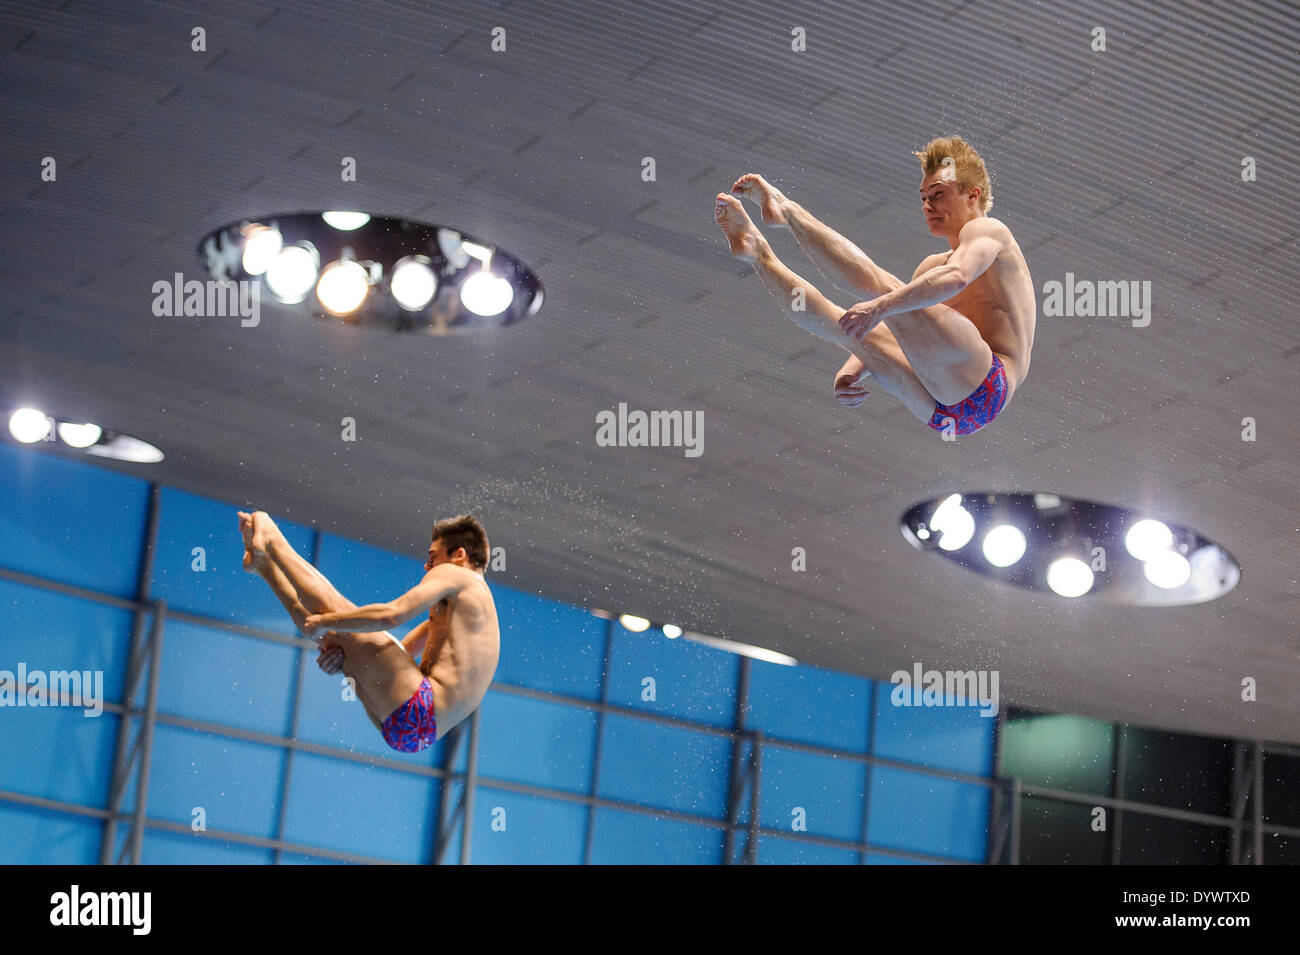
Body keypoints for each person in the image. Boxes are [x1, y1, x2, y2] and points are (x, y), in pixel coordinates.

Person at [713, 135, 1035, 436]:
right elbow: (905, 333)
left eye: (938, 194)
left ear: (972, 195)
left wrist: (881, 306)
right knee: (840, 325)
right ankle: (758, 253)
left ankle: (788, 212)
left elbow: (958, 277)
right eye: (923, 197)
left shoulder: (989, 231)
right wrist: (853, 370)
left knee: (881, 290)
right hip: (944, 414)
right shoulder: (931, 268)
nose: (927, 205)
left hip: (989, 383)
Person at [239, 510, 499, 753]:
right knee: (332, 635)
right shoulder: (472, 613)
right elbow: (400, 652)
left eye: (433, 557)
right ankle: (264, 567)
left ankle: (272, 540)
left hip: (421, 705)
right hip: (415, 734)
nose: (427, 567)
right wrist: (344, 663)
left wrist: (329, 621)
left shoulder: (459, 576)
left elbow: (391, 615)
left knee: (331, 609)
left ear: (460, 555)